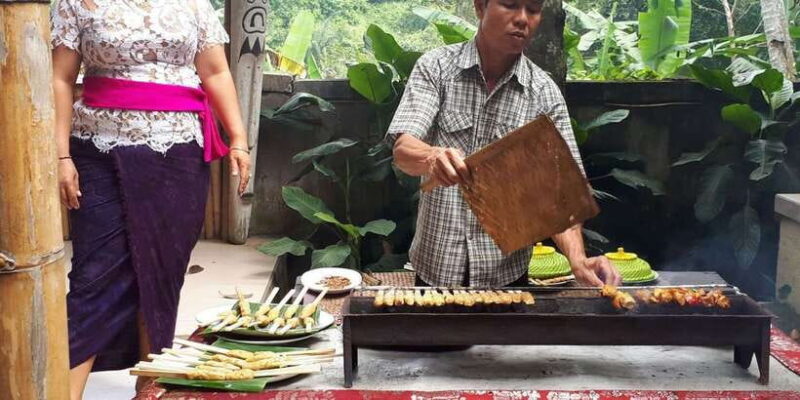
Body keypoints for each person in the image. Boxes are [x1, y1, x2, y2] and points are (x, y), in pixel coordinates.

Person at [51, 1, 251, 398]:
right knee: (95, 274)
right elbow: (60, 78)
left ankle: (151, 384)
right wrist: (60, 155)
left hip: (180, 154)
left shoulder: (194, 4)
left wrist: (239, 139)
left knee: (162, 269)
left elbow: (215, 71)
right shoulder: (76, 2)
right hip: (99, 150)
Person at [388, 0, 621, 288]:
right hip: (436, 270)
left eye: (533, 10)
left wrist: (578, 259)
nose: (523, 19)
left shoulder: (544, 95)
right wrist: (432, 157)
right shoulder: (436, 68)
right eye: (510, 5)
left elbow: (562, 197)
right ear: (480, 7)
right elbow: (403, 149)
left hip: (507, 279)